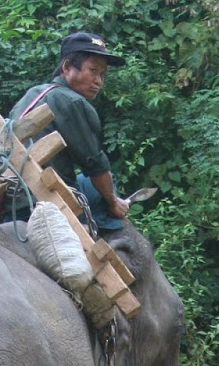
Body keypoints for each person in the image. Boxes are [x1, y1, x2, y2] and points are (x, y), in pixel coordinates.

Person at [7, 31, 130, 231]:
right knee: (106, 184)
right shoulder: (72, 101)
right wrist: (114, 201)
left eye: (102, 74)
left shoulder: (34, 94)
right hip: (45, 197)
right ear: (67, 67)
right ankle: (98, 233)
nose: (99, 81)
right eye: (93, 70)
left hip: (10, 196)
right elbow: (94, 164)